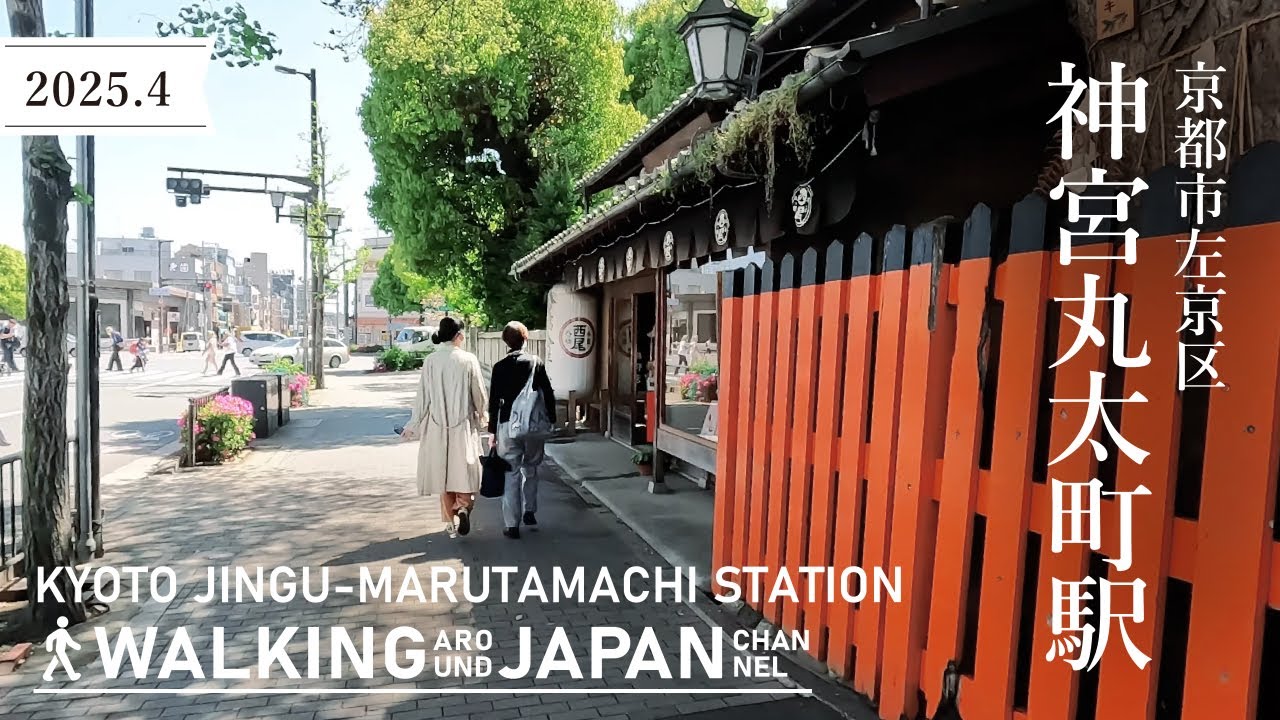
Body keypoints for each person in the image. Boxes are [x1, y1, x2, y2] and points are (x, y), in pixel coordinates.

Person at [401, 316, 487, 537]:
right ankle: (464, 506)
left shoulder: (431, 361)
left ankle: (450, 521)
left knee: (444, 474)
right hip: (462, 424)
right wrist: (483, 415)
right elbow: (478, 392)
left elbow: (423, 397)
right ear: (459, 335)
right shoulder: (468, 360)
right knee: (464, 470)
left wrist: (413, 424)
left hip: (437, 426)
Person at [488, 321, 556, 539]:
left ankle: (512, 525)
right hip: (533, 425)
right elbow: (548, 392)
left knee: (511, 472)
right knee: (531, 467)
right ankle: (530, 510)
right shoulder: (536, 363)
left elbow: (493, 402)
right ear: (525, 339)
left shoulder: (499, 367)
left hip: (508, 425)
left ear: (505, 342)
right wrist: (552, 419)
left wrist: (492, 431)